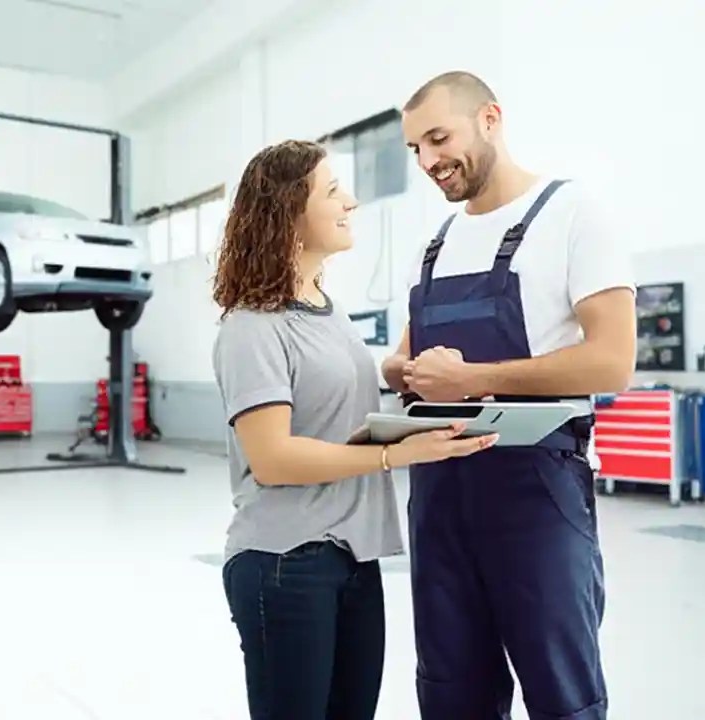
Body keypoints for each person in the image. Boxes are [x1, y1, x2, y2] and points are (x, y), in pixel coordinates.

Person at [211, 139, 500, 720]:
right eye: (333, 190)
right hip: (284, 563)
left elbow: (339, 419)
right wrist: (399, 456)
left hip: (353, 558)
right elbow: (274, 459)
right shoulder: (251, 326)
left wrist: (418, 394)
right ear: (288, 211)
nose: (353, 201)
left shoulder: (328, 311)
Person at [384, 71, 637, 719]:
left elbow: (612, 361)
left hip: (536, 492)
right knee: (449, 688)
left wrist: (474, 378)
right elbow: (409, 356)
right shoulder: (431, 247)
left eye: (438, 138)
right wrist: (398, 372)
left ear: (490, 118)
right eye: (415, 149)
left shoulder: (574, 213)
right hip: (439, 495)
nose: (428, 162)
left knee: (561, 691)